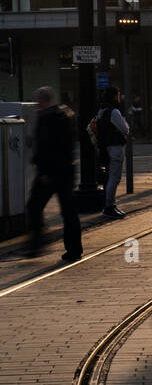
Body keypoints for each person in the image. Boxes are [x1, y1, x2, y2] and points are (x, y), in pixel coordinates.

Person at [25, 87, 82, 263]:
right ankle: (74, 249)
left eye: (38, 102)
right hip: (66, 170)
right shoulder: (67, 115)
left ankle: (37, 242)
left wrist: (43, 171)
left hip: (49, 172)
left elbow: (46, 146)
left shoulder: (46, 119)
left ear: (42, 101)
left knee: (34, 206)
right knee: (68, 211)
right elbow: (68, 144)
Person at [97, 87, 129, 220]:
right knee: (114, 177)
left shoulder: (102, 110)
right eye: (118, 95)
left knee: (109, 177)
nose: (120, 97)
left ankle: (110, 204)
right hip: (116, 147)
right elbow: (125, 129)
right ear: (114, 96)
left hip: (106, 147)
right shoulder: (114, 111)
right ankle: (109, 206)